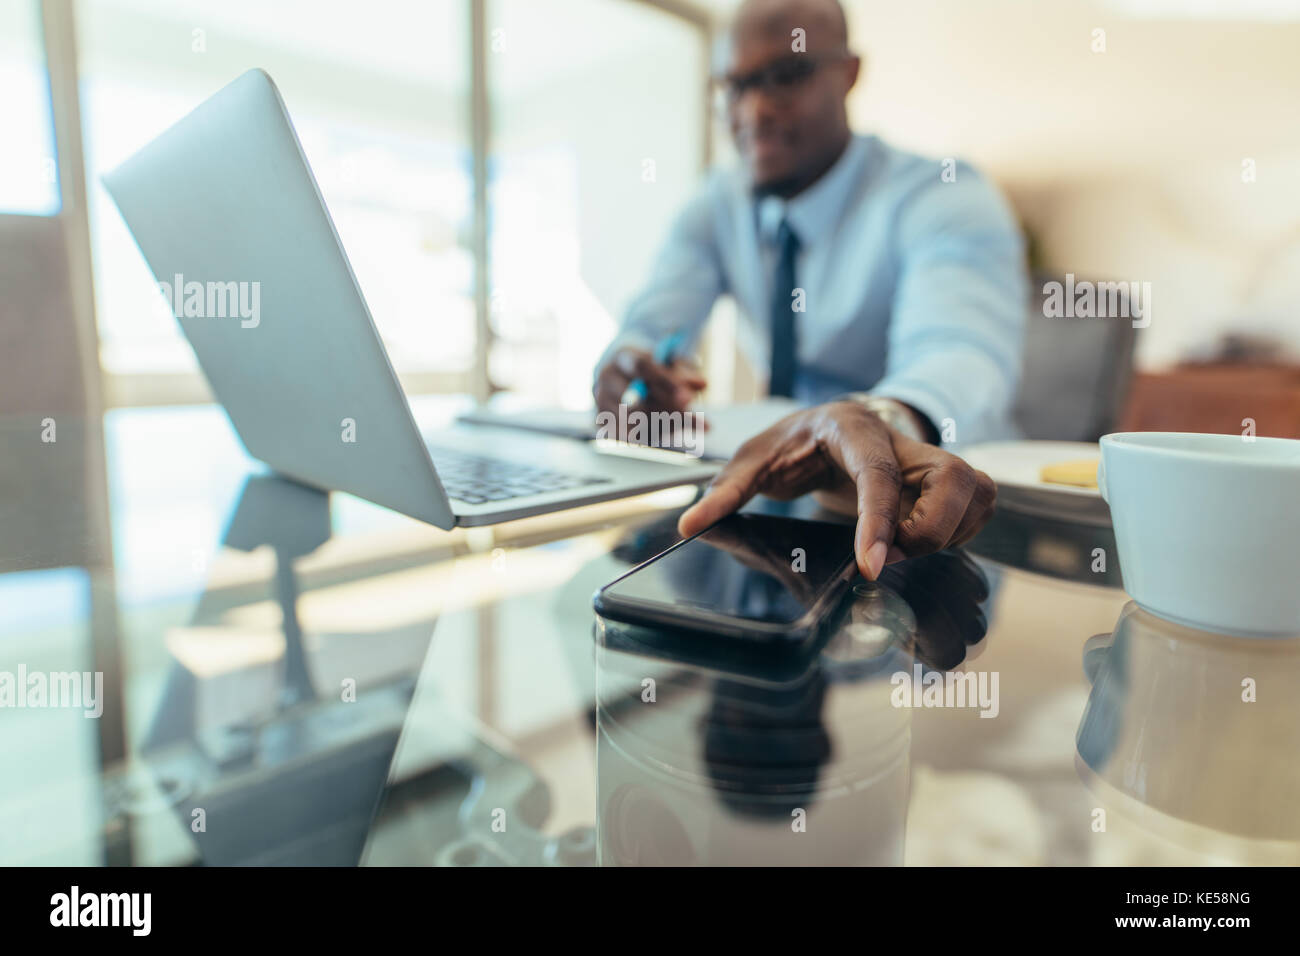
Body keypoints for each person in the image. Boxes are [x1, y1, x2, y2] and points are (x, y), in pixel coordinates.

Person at [592, 0, 1026, 581]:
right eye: (735, 87)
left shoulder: (943, 196)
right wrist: (632, 365)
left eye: (786, 76)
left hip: (936, 520)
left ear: (848, 74)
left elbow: (959, 349)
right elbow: (655, 316)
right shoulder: (717, 205)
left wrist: (880, 419)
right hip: (769, 510)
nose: (755, 111)